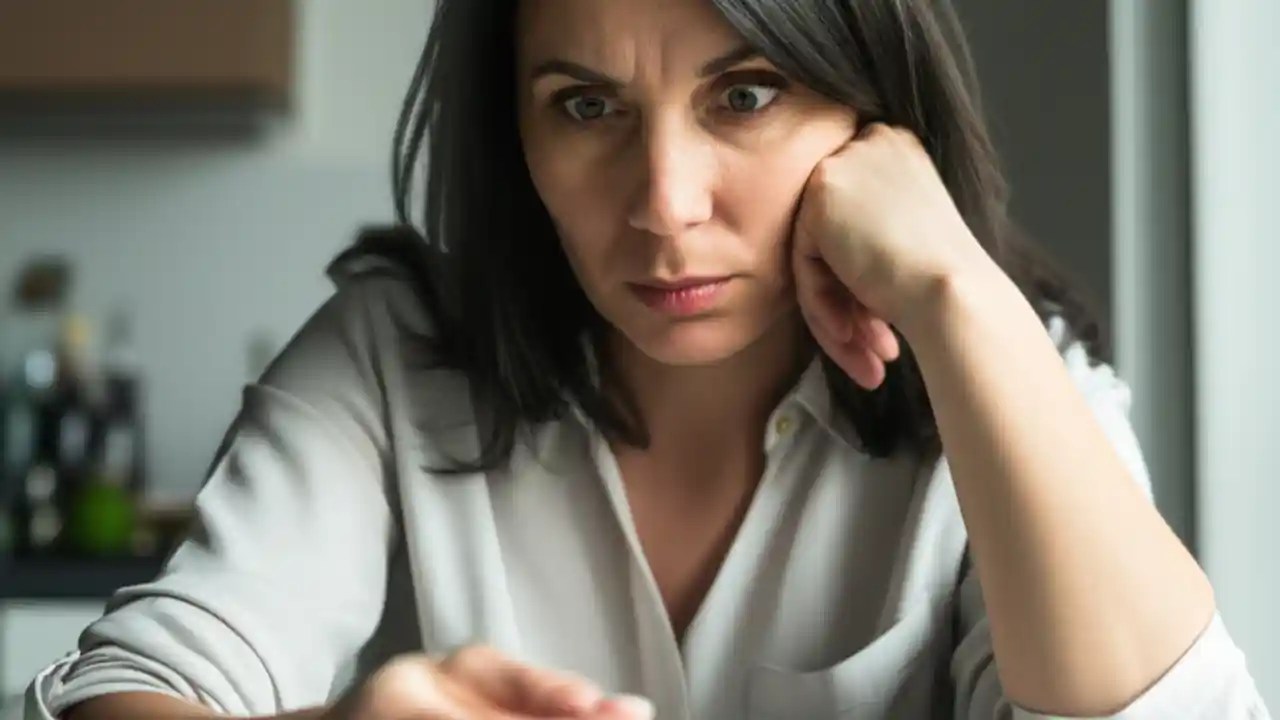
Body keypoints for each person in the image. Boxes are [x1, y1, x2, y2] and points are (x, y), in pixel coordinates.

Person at [27, 0, 1269, 718]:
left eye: (746, 95)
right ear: (515, 134)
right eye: (586, 107)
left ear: (871, 110)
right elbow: (138, 684)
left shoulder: (1003, 371)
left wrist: (950, 287)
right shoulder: (391, 358)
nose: (664, 204)